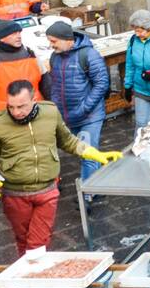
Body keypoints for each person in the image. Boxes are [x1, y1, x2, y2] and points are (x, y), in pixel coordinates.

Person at [0, 81, 120, 255]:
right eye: (11, 107)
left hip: (47, 190)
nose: (16, 112)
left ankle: (35, 275)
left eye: (21, 106)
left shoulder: (50, 112)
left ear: (34, 99)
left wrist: (92, 153)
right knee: (23, 240)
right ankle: (27, 277)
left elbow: (68, 141)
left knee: (37, 243)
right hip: (14, 194)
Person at [44, 21, 109, 189]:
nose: (51, 45)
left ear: (67, 40)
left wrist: (85, 108)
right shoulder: (55, 57)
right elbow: (56, 86)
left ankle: (87, 195)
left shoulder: (89, 55)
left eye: (53, 41)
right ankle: (101, 184)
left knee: (88, 155)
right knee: (85, 154)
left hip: (89, 117)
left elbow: (101, 84)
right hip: (67, 116)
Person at [0, 20, 50, 119]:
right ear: (2, 37)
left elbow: (47, 85)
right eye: (13, 33)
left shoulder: (31, 54)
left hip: (37, 113)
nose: (19, 36)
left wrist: (51, 110)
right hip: (5, 118)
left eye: (19, 32)